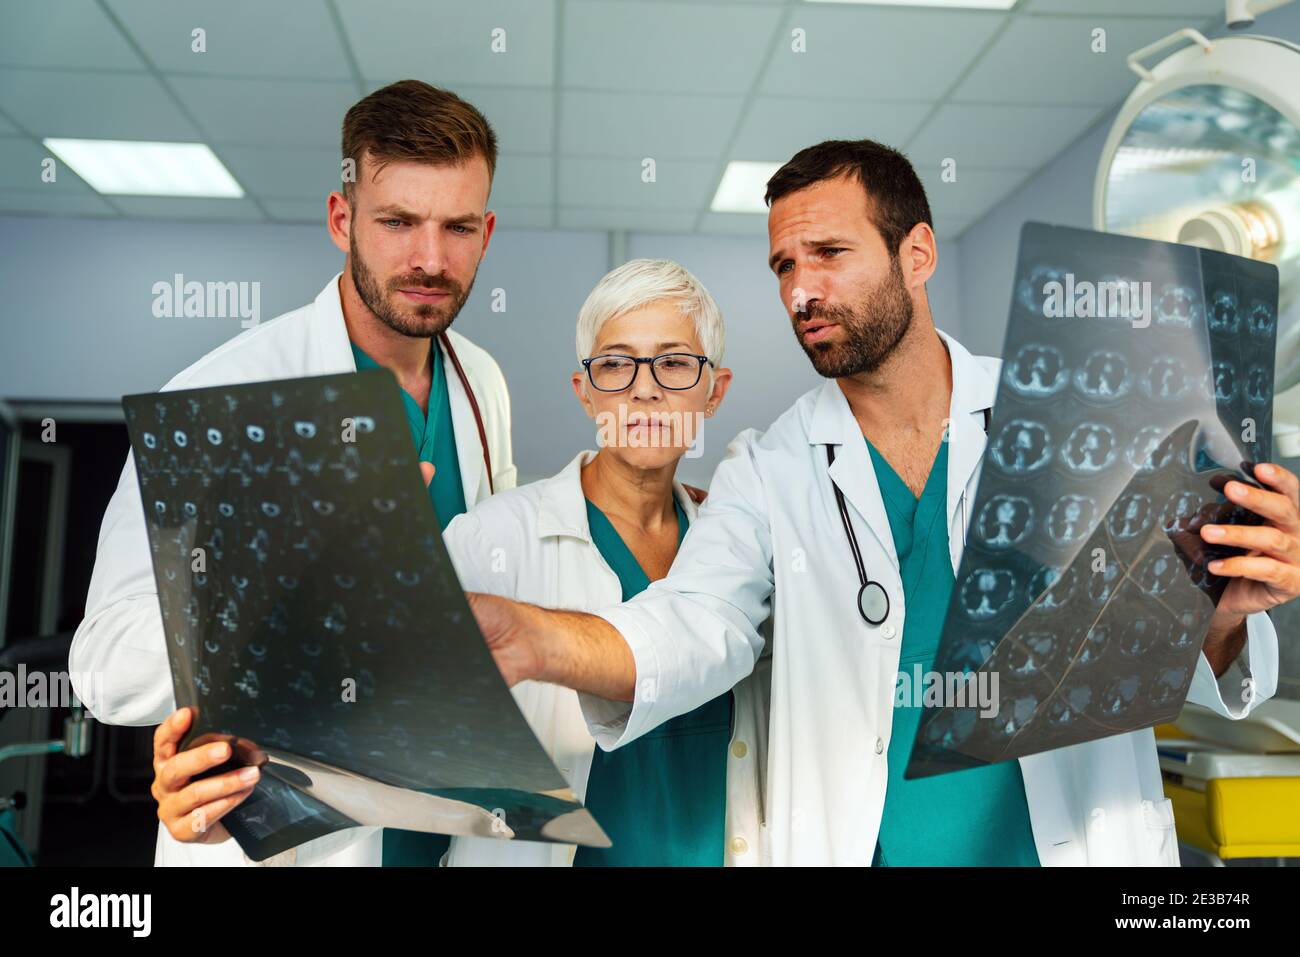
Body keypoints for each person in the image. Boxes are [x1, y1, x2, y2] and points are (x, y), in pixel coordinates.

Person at [465, 139, 1296, 866]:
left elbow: (1152, 652)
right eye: (784, 265)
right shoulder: (769, 468)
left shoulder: (1073, 419)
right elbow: (696, 621)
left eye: (829, 253)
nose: (801, 290)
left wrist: (1223, 611)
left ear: (919, 253)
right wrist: (537, 639)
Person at [72, 80, 516, 867]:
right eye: (398, 221)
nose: (429, 258)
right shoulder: (220, 396)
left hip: (442, 831)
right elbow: (102, 662)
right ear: (342, 219)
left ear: (486, 232)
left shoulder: (482, 382)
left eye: (456, 227)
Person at [441, 258, 769, 866]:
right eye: (615, 364)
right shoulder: (494, 539)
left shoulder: (734, 548)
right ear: (585, 390)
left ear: (715, 391)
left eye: (673, 363)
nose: (644, 389)